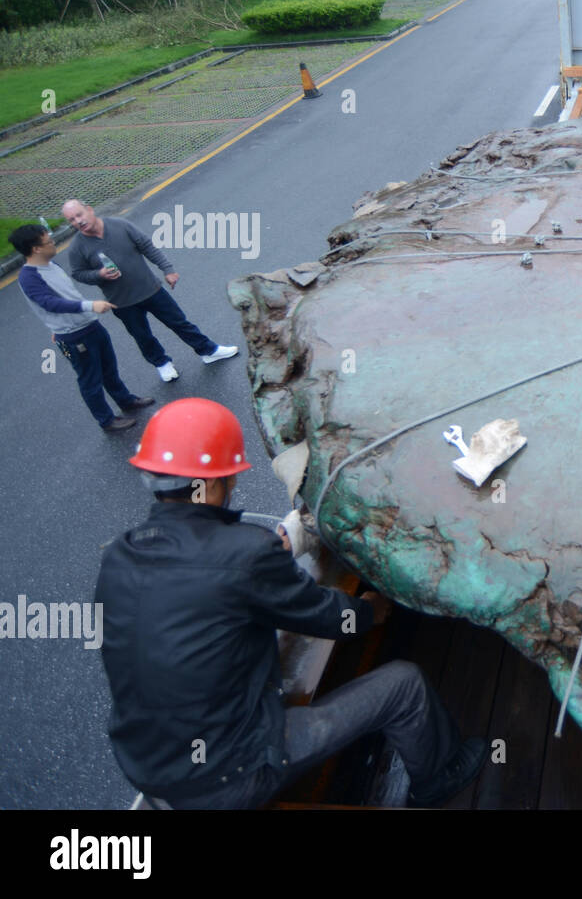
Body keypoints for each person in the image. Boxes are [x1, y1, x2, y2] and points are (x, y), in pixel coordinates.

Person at [95, 398, 489, 808]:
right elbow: (330, 618)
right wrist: (371, 610)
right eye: (230, 477)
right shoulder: (244, 554)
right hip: (230, 775)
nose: (233, 485)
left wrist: (260, 558)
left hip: (151, 767)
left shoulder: (119, 556)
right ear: (210, 484)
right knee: (405, 686)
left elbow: (196, 596)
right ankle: (437, 780)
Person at [62, 199, 238, 382]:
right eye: (72, 220)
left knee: (179, 322)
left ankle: (208, 351)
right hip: (122, 302)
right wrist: (99, 274)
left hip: (151, 289)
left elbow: (147, 246)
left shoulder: (120, 225)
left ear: (89, 210)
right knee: (142, 336)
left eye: (79, 215)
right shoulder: (77, 248)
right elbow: (78, 274)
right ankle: (162, 364)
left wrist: (168, 269)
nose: (78, 221)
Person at [11, 224, 154, 432]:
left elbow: (64, 295)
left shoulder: (51, 266)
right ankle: (106, 420)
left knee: (109, 370)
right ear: (36, 249)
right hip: (73, 337)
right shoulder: (29, 277)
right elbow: (50, 303)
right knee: (90, 380)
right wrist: (90, 305)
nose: (54, 243)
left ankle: (126, 400)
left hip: (90, 326)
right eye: (48, 241)